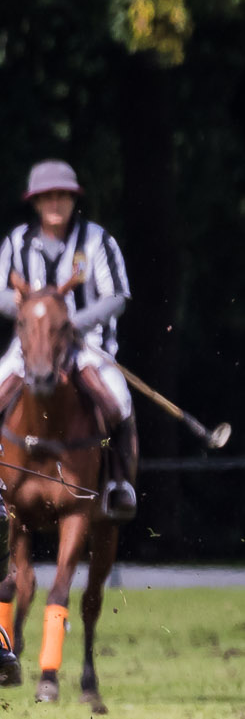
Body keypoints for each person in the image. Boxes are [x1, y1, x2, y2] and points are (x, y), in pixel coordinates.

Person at [0, 160, 138, 520]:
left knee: (118, 403)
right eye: (48, 197)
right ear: (35, 202)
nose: (55, 204)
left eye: (62, 196)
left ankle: (116, 484)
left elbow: (117, 297)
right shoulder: (17, 243)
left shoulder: (97, 241)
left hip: (86, 345)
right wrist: (30, 314)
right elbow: (0, 293)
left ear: (73, 199)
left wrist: (72, 321)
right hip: (31, 349)